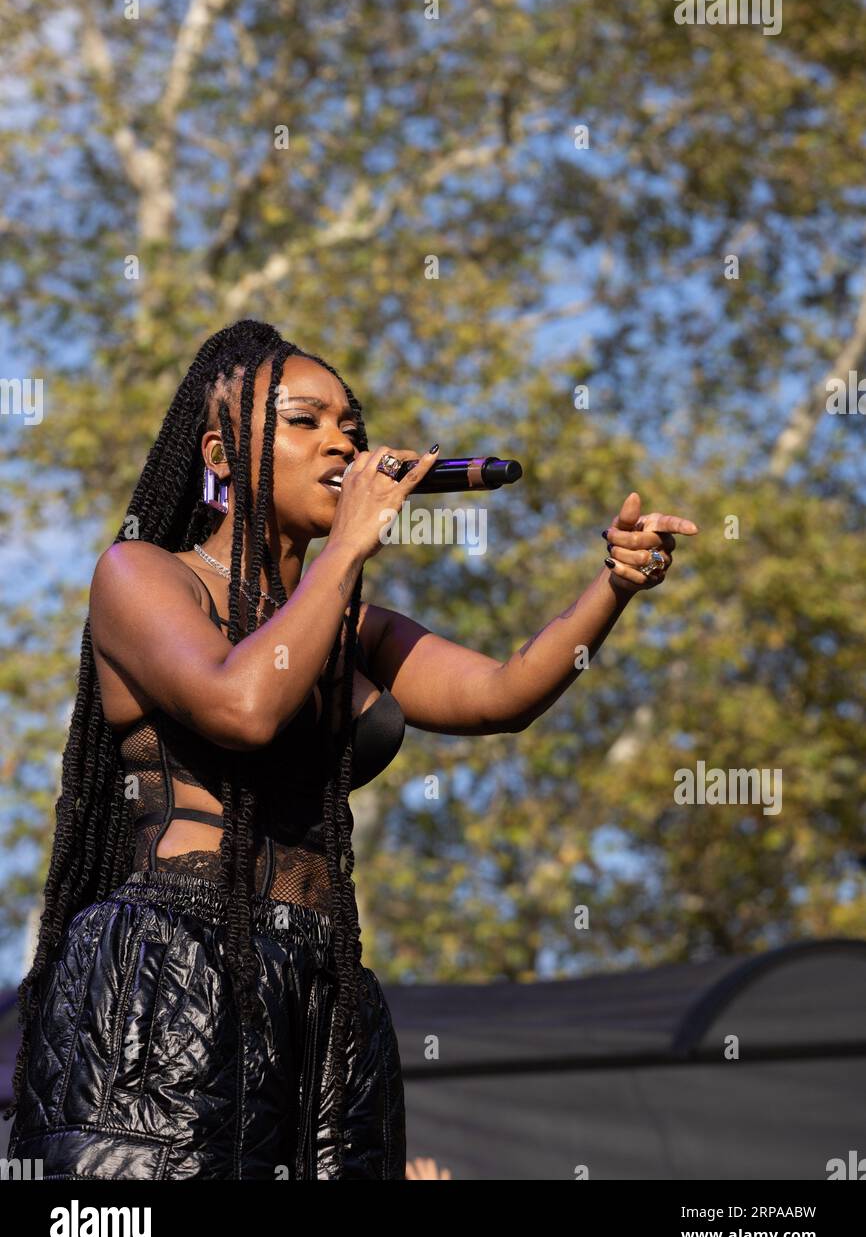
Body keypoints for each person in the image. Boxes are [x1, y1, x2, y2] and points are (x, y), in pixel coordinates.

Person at [3, 318, 698, 1180]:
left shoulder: (353, 629)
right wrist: (349, 548)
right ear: (221, 456)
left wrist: (615, 584)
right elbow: (242, 706)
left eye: (354, 428)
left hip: (325, 985)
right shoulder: (145, 575)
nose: (342, 441)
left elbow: (503, 695)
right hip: (176, 967)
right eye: (306, 421)